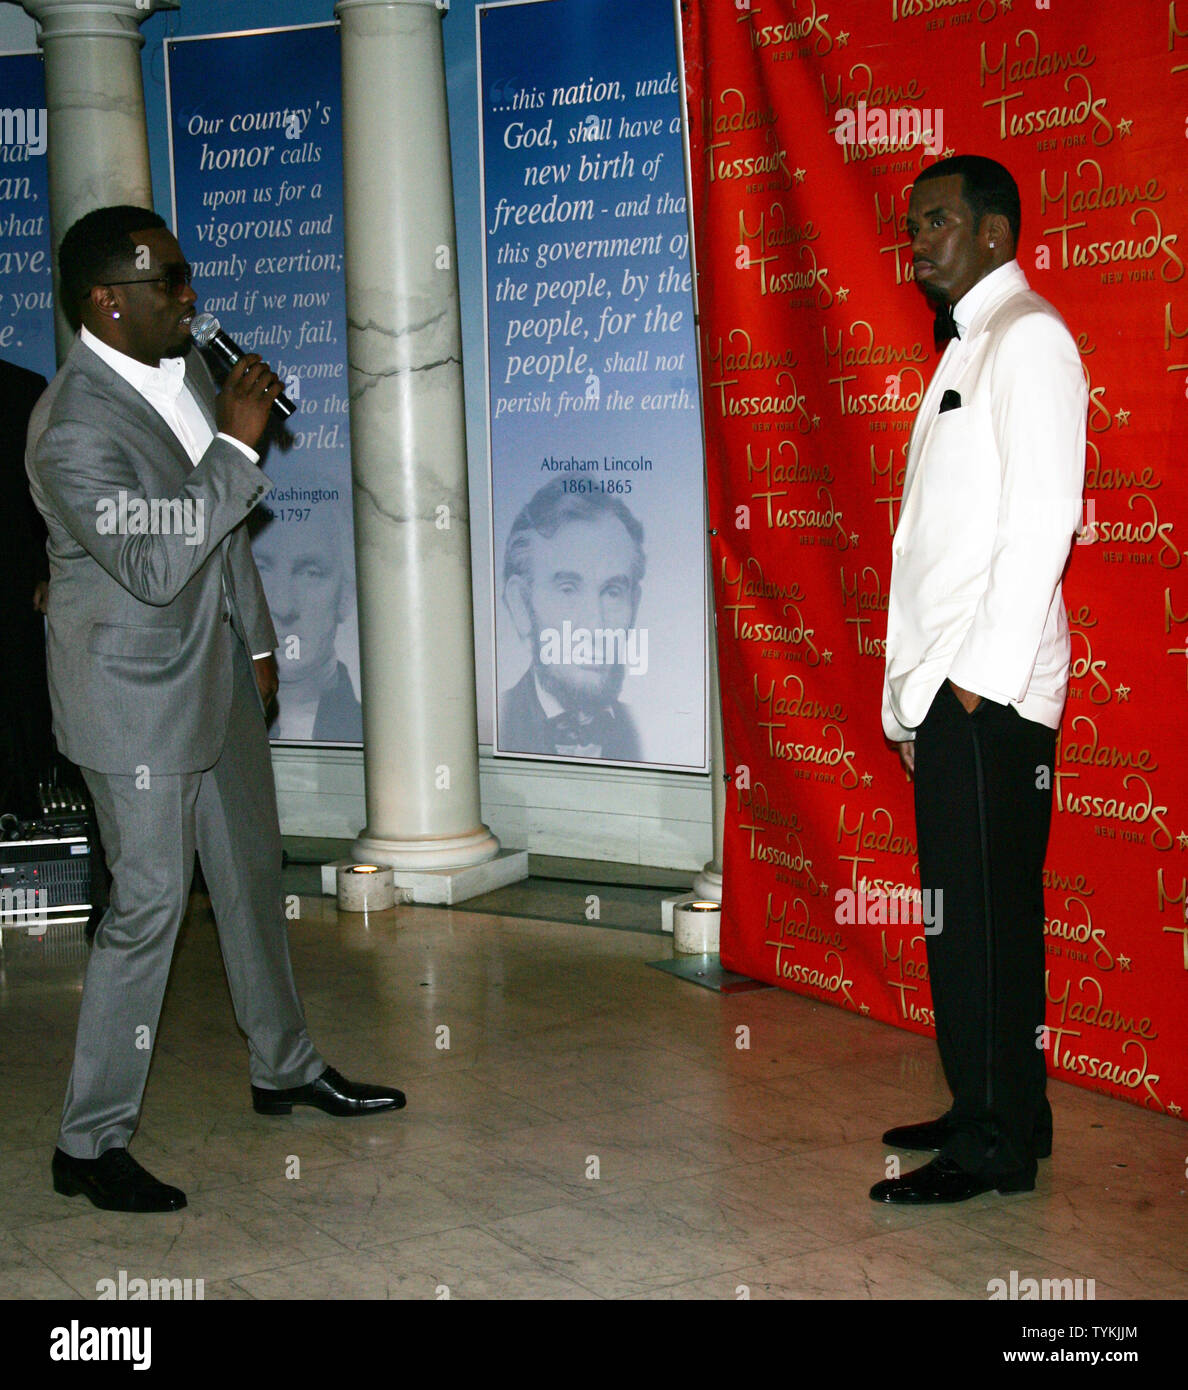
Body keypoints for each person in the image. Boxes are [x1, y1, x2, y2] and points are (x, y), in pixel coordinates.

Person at [26, 205, 404, 1215]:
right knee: (148, 906)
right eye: (171, 283)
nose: (192, 299)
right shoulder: (70, 430)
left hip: (221, 673)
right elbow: (154, 559)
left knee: (249, 876)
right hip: (134, 703)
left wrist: (263, 639)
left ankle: (283, 1064)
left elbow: (224, 538)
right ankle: (88, 1138)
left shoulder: (187, 375)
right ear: (109, 302)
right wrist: (237, 445)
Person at [872, 156, 1087, 1204]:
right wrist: (912, 694)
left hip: (988, 695)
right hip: (950, 691)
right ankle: (996, 1107)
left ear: (997, 232)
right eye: (914, 224)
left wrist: (974, 685)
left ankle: (996, 1145)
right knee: (968, 915)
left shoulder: (1030, 337)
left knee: (987, 923)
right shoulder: (974, 341)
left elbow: (1043, 522)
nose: (918, 238)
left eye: (939, 221)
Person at [499, 479, 645, 760]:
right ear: (520, 603)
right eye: (568, 589)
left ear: (634, 605)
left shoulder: (648, 732)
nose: (596, 627)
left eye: (613, 593)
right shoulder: (493, 719)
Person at [250, 507, 362, 742]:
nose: (283, 607)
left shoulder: (383, 734)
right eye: (262, 568)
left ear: (346, 594)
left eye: (310, 573)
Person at [0, 356, 52, 817]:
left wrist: (49, 569)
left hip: (13, 577)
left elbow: (46, 490)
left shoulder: (22, 387)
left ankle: (29, 822)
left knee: (21, 705)